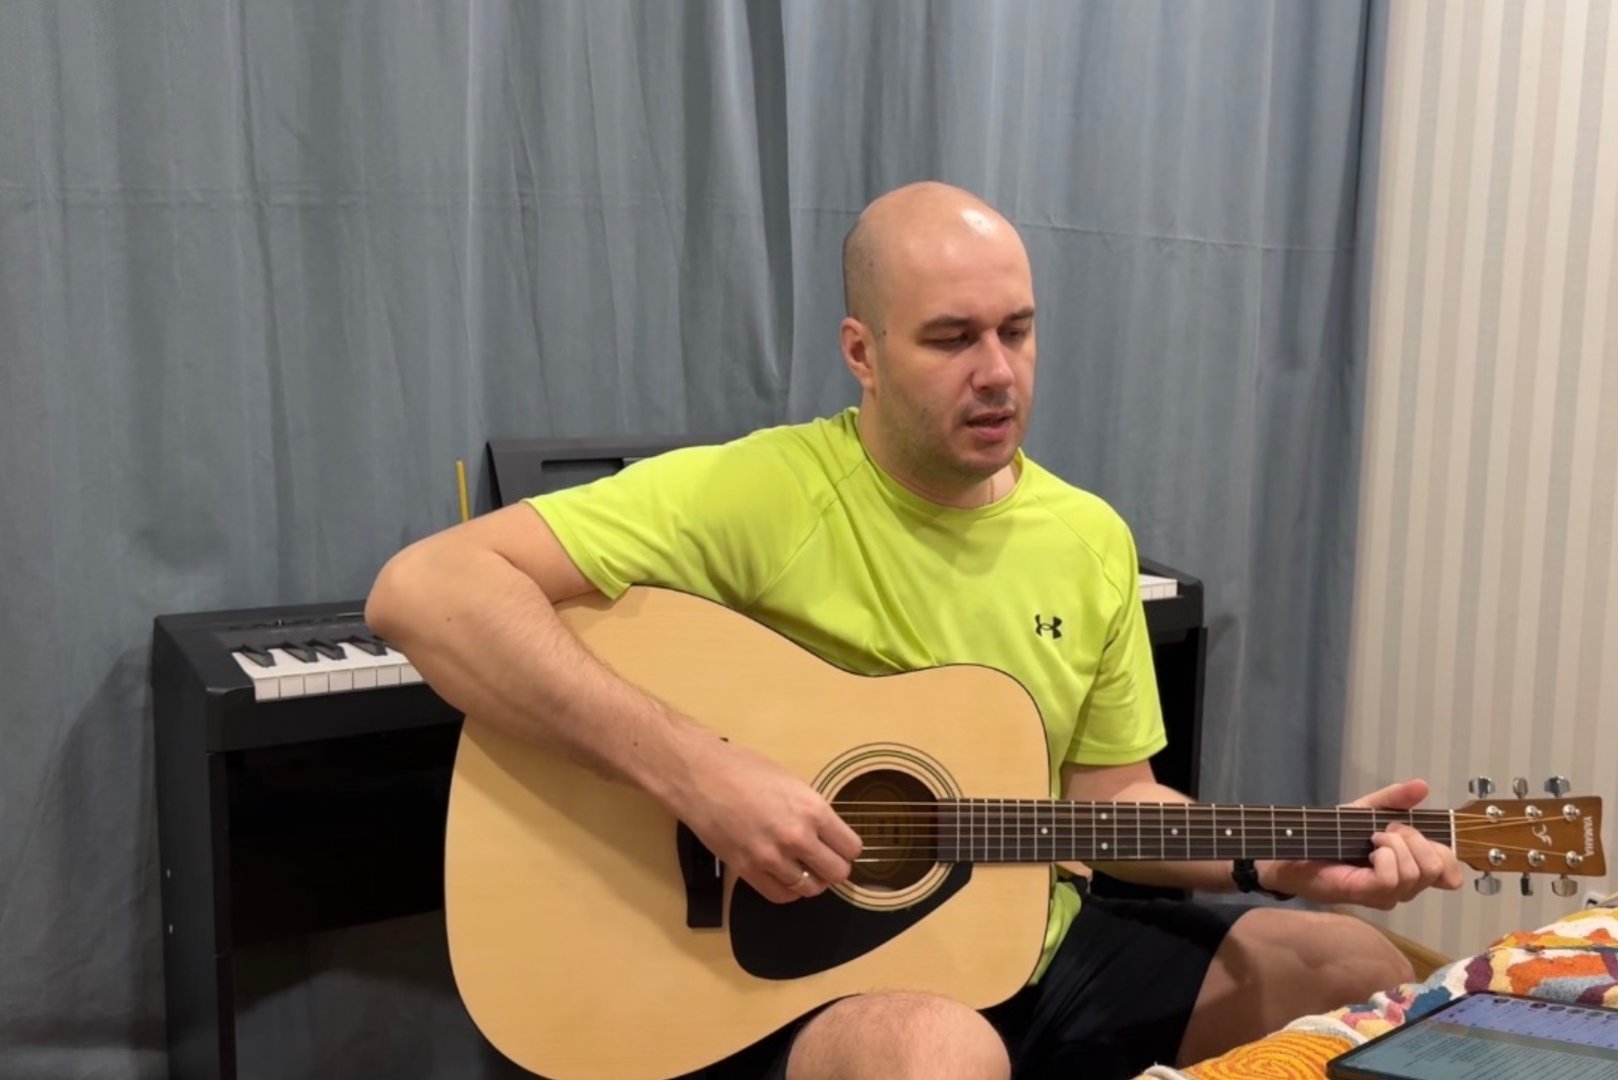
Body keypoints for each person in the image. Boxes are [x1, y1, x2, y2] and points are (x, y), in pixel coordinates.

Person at [366, 180, 1463, 1079]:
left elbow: (1110, 804)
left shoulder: (1088, 538)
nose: (997, 372)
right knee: (939, 1054)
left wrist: (1270, 858)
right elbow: (426, 590)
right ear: (863, 351)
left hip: (1027, 946)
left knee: (1353, 971)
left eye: (1017, 331)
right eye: (951, 339)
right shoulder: (763, 493)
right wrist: (701, 773)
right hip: (792, 982)